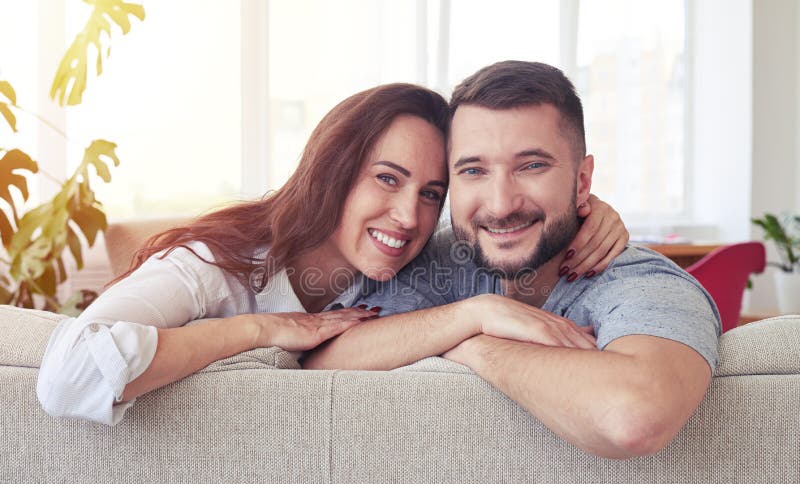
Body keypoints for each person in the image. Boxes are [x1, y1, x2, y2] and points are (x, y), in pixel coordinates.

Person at [36, 82, 628, 425]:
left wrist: (587, 210)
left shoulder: (413, 268)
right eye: (387, 179)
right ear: (333, 173)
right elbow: (69, 376)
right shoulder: (212, 267)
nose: (409, 217)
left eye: (431, 194)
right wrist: (259, 330)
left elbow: (500, 221)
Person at [304, 61, 721, 460]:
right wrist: (474, 315)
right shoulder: (444, 258)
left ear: (582, 182)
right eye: (473, 171)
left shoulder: (642, 282)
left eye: (532, 166)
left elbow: (635, 417)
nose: (501, 205)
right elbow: (324, 357)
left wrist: (475, 346)